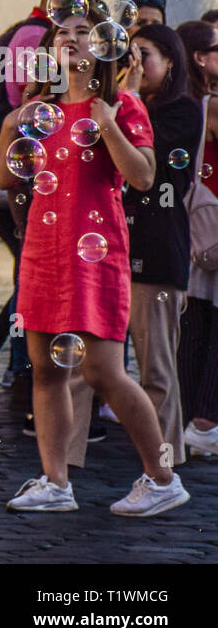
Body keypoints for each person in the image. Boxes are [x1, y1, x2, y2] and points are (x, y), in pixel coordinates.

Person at [0, 0, 190, 517]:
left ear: (103, 45)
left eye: (83, 30)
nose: (69, 37)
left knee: (104, 370)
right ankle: (56, 482)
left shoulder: (124, 106)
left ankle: (162, 477)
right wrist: (9, 128)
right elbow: (4, 179)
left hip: (94, 251)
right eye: (61, 31)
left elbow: (144, 176)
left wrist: (107, 122)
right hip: (43, 247)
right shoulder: (41, 112)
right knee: (45, 369)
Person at [0, 0, 89, 395]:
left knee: (29, 270)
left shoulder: (34, 31)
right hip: (23, 175)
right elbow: (30, 110)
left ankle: (10, 355)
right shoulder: (35, 34)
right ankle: (22, 367)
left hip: (29, 175)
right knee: (31, 272)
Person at [120, 25, 203, 468]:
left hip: (157, 252)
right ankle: (64, 469)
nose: (133, 64)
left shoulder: (182, 112)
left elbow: (149, 164)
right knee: (93, 369)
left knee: (156, 370)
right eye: (127, 55)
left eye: (144, 54)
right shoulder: (118, 107)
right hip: (113, 248)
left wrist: (128, 99)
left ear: (171, 62)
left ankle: (166, 464)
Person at [174, 19, 218, 456]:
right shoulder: (210, 105)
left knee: (194, 323)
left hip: (193, 229)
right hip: (214, 225)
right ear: (201, 58)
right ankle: (205, 422)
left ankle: (188, 417)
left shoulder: (183, 102)